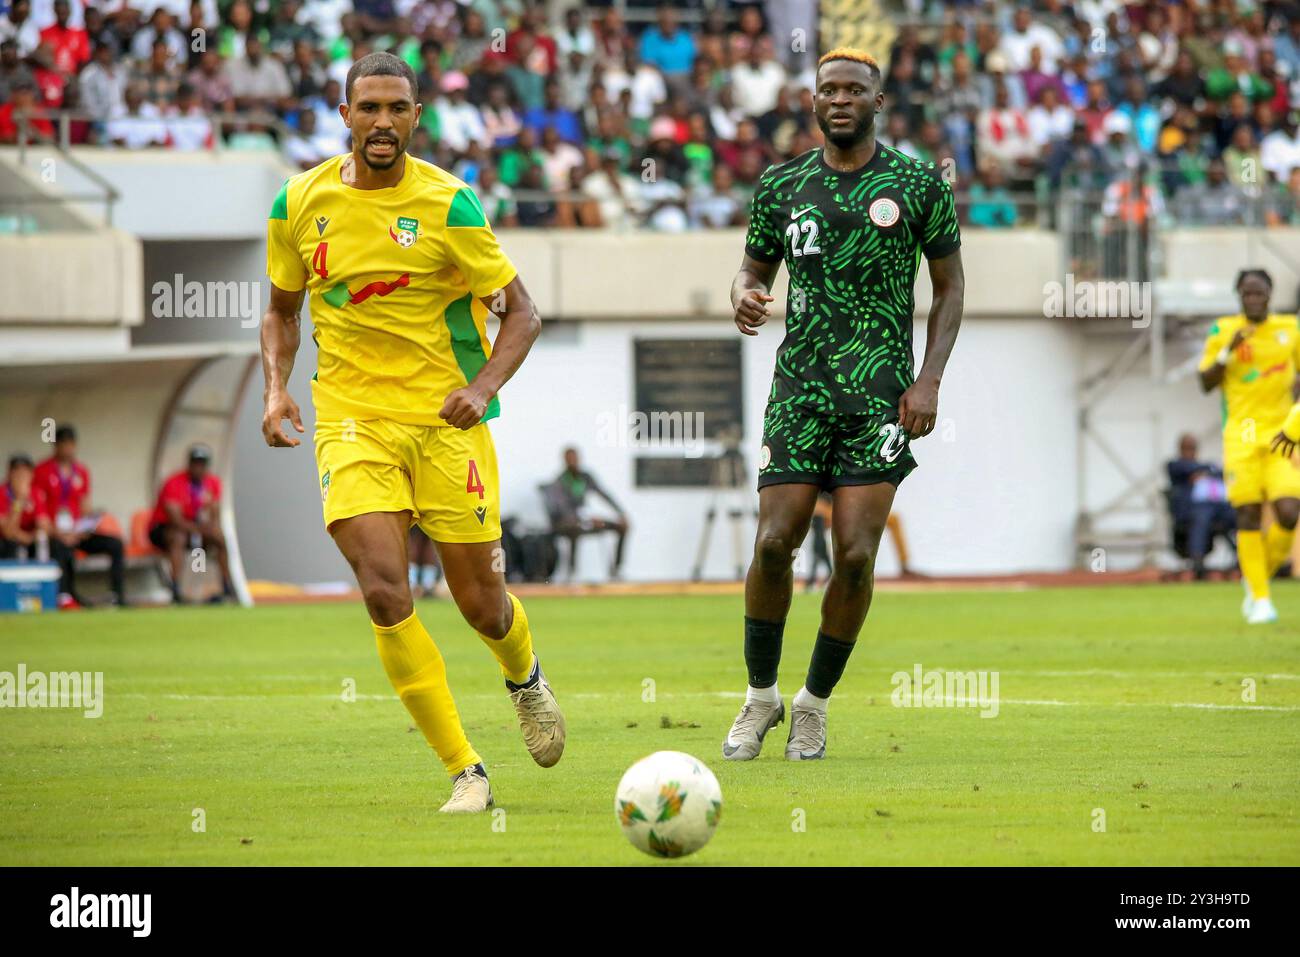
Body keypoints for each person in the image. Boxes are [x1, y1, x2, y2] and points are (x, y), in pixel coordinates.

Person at [260, 52, 564, 815]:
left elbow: (522, 313)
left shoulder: (450, 205)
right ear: (344, 115)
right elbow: (280, 311)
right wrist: (273, 389)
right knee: (383, 587)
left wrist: (482, 386)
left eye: (398, 108)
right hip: (352, 421)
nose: (383, 123)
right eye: (369, 108)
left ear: (417, 116)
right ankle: (466, 769)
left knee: (481, 604)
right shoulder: (298, 203)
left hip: (444, 423)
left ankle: (524, 677)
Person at [724, 48, 963, 762]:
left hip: (881, 397)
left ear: (877, 100)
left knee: (854, 555)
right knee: (774, 541)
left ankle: (812, 706)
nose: (839, 98)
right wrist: (742, 293)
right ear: (813, 99)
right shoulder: (781, 184)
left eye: (853, 89)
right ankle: (760, 696)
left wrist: (929, 382)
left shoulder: (919, 183)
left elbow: (951, 289)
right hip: (800, 388)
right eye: (827, 88)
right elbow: (752, 267)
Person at [1198, 270, 1300, 624]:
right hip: (1240, 436)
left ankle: (1258, 575)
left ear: (1271, 295)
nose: (1253, 299)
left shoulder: (1290, 329)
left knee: (1289, 512)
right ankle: (1260, 598)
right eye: (1247, 294)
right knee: (1248, 514)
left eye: (1259, 293)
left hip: (1282, 436)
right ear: (1238, 296)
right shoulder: (1222, 330)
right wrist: (1227, 352)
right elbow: (1205, 383)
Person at [33, 424, 127, 606]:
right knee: (61, 548)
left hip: (77, 532)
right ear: (55, 446)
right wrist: (60, 534)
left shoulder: (81, 471)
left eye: (71, 444)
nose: (67, 449)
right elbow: (40, 510)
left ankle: (119, 595)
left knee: (116, 544)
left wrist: (85, 527)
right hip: (54, 534)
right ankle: (67, 596)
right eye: (63, 444)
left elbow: (85, 507)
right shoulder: (42, 471)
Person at [149, 445, 236, 604]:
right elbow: (175, 519)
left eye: (202, 464)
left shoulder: (212, 483)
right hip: (165, 528)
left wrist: (208, 530)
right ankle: (176, 588)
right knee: (178, 537)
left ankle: (226, 586)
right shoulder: (174, 482)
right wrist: (197, 531)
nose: (198, 468)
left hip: (196, 529)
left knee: (219, 537)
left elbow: (214, 514)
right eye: (195, 464)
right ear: (189, 464)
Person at [547, 447, 629, 581]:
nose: (573, 462)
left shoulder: (586, 477)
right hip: (566, 523)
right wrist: (584, 519)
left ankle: (616, 569)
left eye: (575, 458)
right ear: (565, 461)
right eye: (569, 459)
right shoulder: (560, 481)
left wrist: (620, 513)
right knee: (574, 528)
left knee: (622, 526)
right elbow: (562, 509)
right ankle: (572, 572)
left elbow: (603, 494)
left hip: (585, 519)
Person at [1166, 434, 1235, 579]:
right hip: (1189, 511)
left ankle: (1245, 558)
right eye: (1187, 448)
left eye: (1192, 448)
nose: (1190, 451)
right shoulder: (1174, 465)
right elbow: (1186, 469)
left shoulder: (1203, 466)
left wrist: (1204, 471)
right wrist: (1206, 469)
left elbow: (1222, 472)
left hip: (1215, 508)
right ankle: (1198, 563)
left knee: (1237, 514)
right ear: (1180, 449)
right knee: (1201, 518)